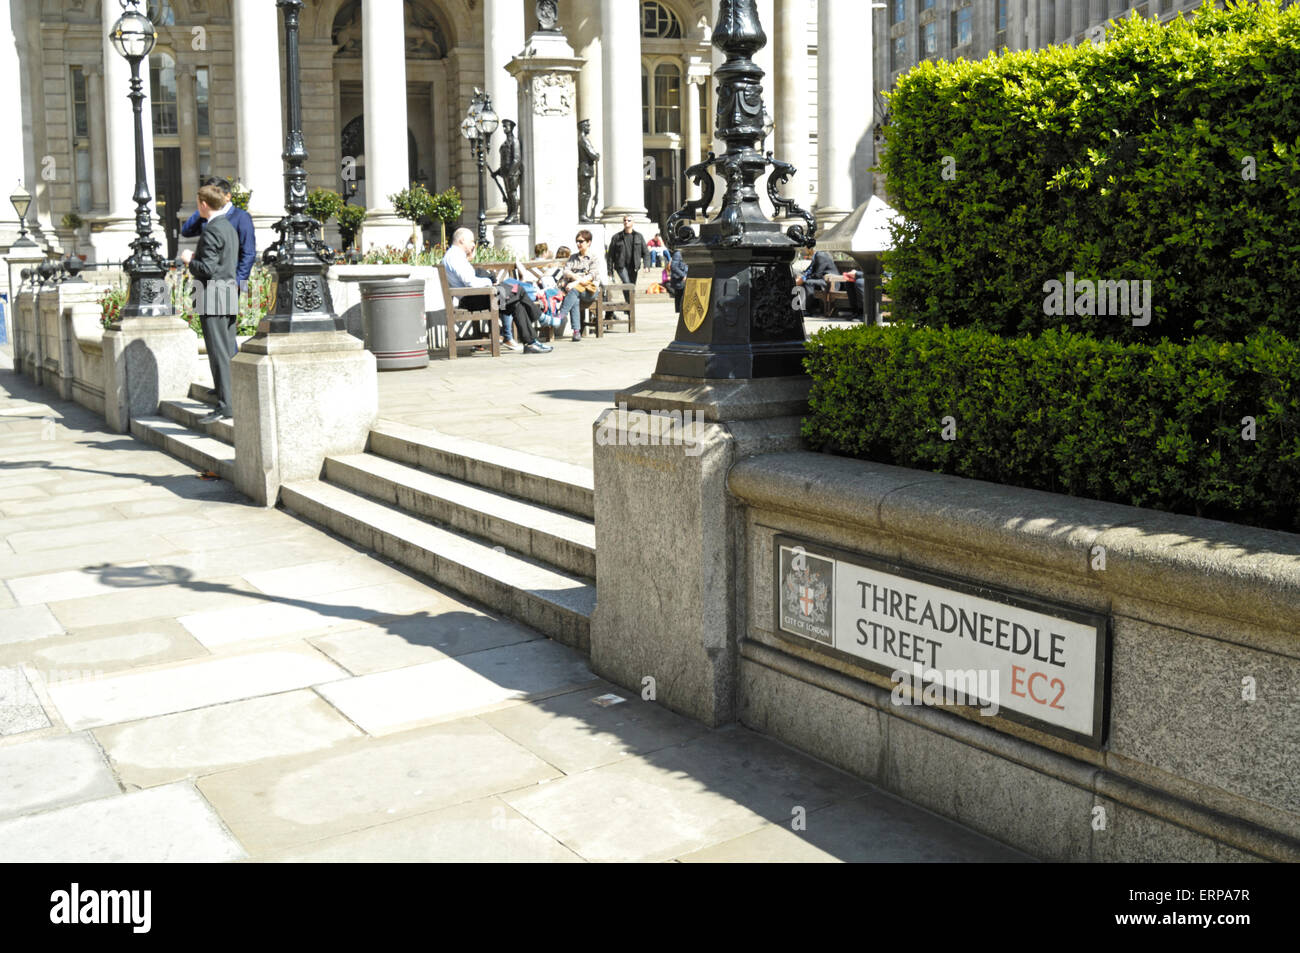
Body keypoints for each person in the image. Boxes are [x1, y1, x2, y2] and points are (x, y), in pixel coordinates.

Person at [180, 183, 240, 422]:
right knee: (225, 351)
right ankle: (230, 402)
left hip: (213, 297)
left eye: (198, 203)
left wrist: (189, 260)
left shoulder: (213, 229)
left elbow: (207, 268)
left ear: (204, 204)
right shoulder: (227, 227)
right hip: (226, 294)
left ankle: (226, 406)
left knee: (218, 353)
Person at [441, 227, 551, 354]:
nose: (473, 244)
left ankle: (531, 343)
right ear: (461, 240)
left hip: (480, 297)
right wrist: (490, 282)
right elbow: (471, 283)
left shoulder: (454, 256)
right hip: (475, 299)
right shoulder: (455, 257)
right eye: (471, 241)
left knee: (515, 302)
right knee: (518, 289)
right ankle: (540, 317)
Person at [180, 176, 255, 291]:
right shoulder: (207, 216)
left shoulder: (241, 217)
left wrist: (238, 282)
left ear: (228, 196)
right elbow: (186, 231)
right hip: (209, 284)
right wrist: (203, 208)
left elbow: (248, 253)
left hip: (228, 281)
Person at [552, 231, 603, 342]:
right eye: (577, 242)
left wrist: (574, 281)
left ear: (589, 242)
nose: (578, 244)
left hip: (590, 291)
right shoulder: (573, 257)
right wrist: (576, 277)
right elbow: (566, 272)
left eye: (581, 241)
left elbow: (590, 277)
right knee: (574, 298)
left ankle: (561, 315)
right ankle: (576, 332)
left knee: (574, 291)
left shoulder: (593, 258)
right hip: (575, 291)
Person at [606, 216, 649, 302]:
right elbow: (610, 255)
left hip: (634, 266)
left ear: (633, 223)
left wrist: (646, 265)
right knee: (627, 284)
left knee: (632, 287)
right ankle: (629, 305)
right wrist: (610, 271)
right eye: (625, 220)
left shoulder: (638, 236)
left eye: (629, 220)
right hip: (621, 266)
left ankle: (629, 306)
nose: (626, 222)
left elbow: (646, 252)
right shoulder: (616, 237)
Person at [664, 249, 688, 315]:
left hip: (683, 280)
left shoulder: (685, 252)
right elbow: (674, 267)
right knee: (680, 300)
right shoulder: (678, 254)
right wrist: (683, 275)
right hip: (679, 280)